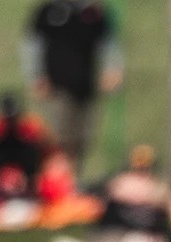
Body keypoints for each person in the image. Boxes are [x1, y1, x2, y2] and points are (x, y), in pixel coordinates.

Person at [25, 0, 122, 178]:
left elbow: (108, 43)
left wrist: (112, 69)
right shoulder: (48, 11)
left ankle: (74, 180)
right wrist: (37, 75)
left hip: (86, 87)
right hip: (57, 88)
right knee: (58, 139)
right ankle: (55, 182)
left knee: (82, 139)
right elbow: (33, 45)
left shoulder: (94, 12)